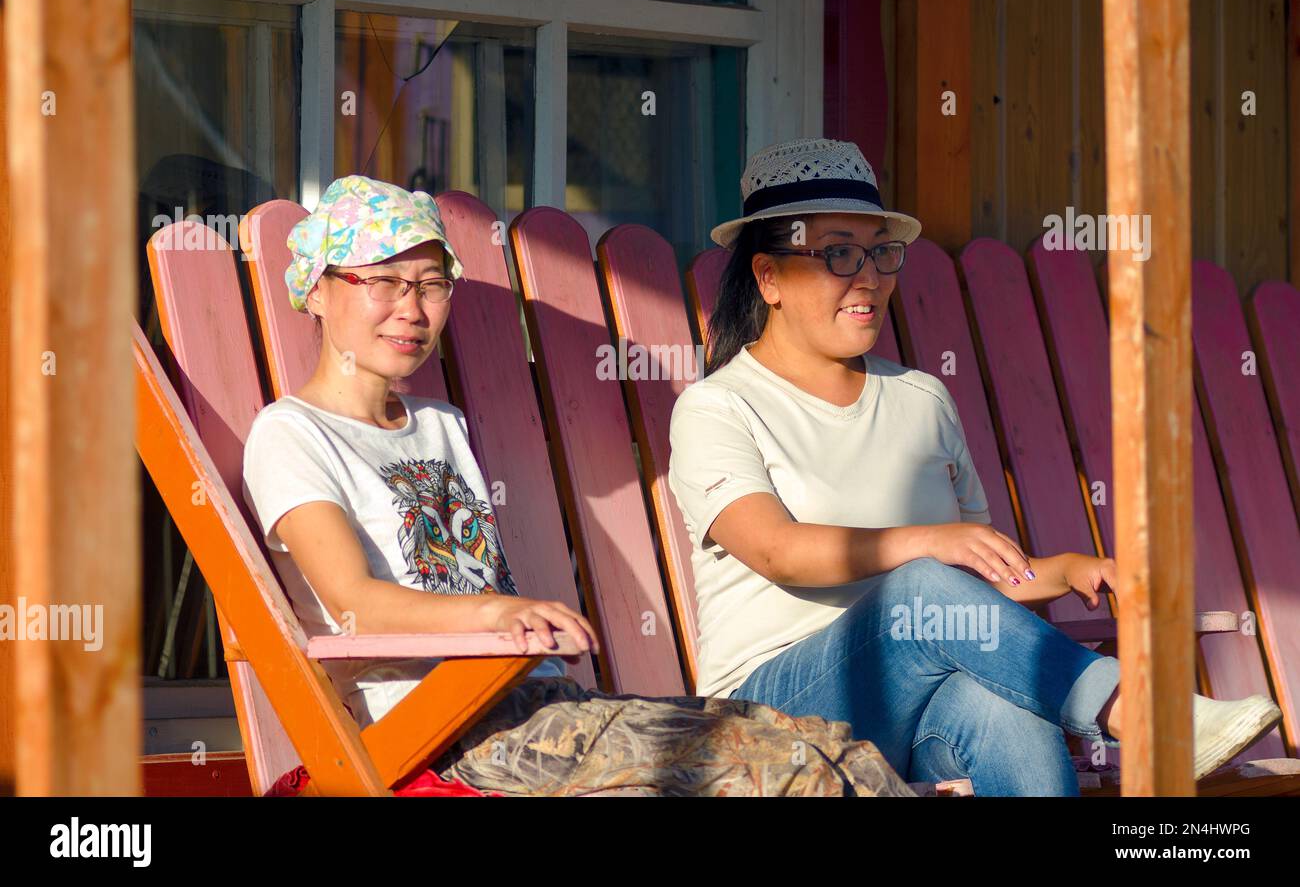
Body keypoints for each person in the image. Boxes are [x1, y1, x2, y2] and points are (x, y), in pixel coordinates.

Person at [240, 174, 914, 797]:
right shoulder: (292, 434)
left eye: (431, 283)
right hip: (441, 732)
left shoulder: (441, 425)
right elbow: (354, 603)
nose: (411, 308)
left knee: (837, 752)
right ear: (319, 290)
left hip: (540, 701)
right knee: (791, 777)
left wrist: (505, 624)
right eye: (383, 281)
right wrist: (496, 614)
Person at [666, 137, 1283, 796]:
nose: (868, 277)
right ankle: (1144, 716)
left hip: (899, 718)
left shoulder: (922, 399)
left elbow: (967, 592)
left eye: (880, 251)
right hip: (765, 729)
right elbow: (778, 550)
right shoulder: (717, 408)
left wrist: (1068, 568)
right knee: (921, 584)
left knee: (1011, 715)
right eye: (838, 253)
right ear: (769, 276)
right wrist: (930, 544)